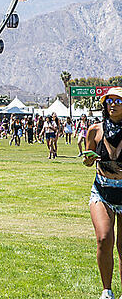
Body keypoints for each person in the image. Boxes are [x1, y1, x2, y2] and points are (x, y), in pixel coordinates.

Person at [84, 88, 122, 299]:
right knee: (104, 238)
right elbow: (88, 162)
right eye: (109, 101)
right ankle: (107, 291)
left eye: (118, 101)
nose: (113, 105)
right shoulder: (95, 131)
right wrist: (88, 160)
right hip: (102, 191)